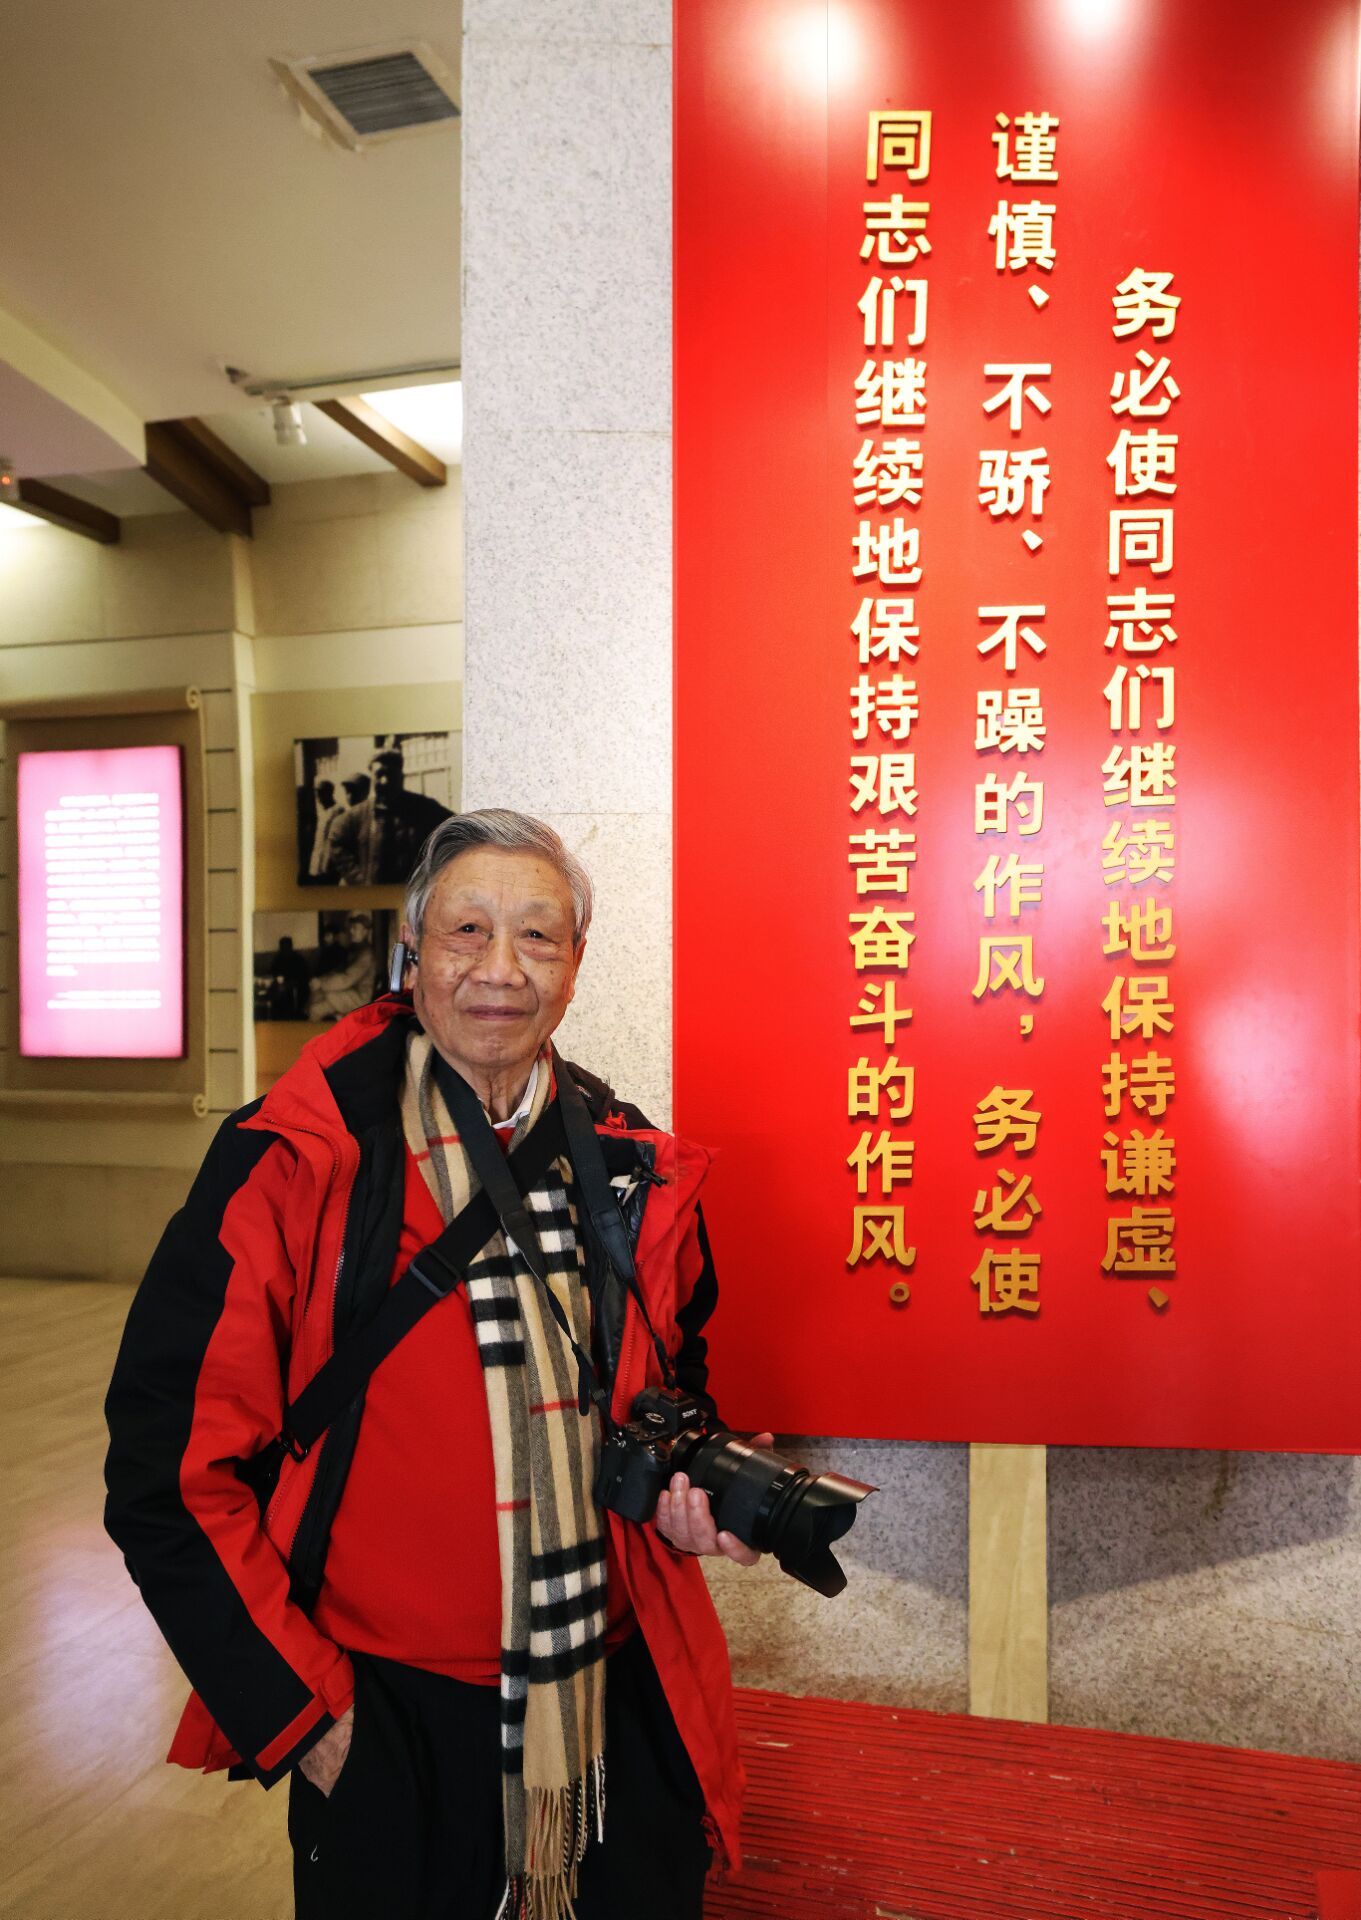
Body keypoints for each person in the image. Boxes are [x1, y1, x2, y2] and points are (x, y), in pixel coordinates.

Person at [104, 808, 759, 1920]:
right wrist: (311, 1724)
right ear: (410, 951)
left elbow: (670, 1394)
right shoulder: (300, 1158)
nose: (499, 970)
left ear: (575, 964)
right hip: (386, 1722)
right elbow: (166, 1475)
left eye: (537, 938)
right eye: (465, 930)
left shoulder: (630, 1165)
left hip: (609, 1704)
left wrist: (692, 1490)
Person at [329, 745, 453, 885]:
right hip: (372, 898)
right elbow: (336, 840)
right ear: (372, 778)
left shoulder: (422, 808)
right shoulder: (357, 815)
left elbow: (456, 829)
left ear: (401, 777)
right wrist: (358, 878)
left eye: (391, 775)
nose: (385, 781)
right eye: (379, 775)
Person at [307, 779, 344, 880]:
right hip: (318, 860)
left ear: (329, 793)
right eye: (317, 794)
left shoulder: (338, 810)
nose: (318, 798)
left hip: (330, 862)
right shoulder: (323, 812)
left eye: (321, 794)